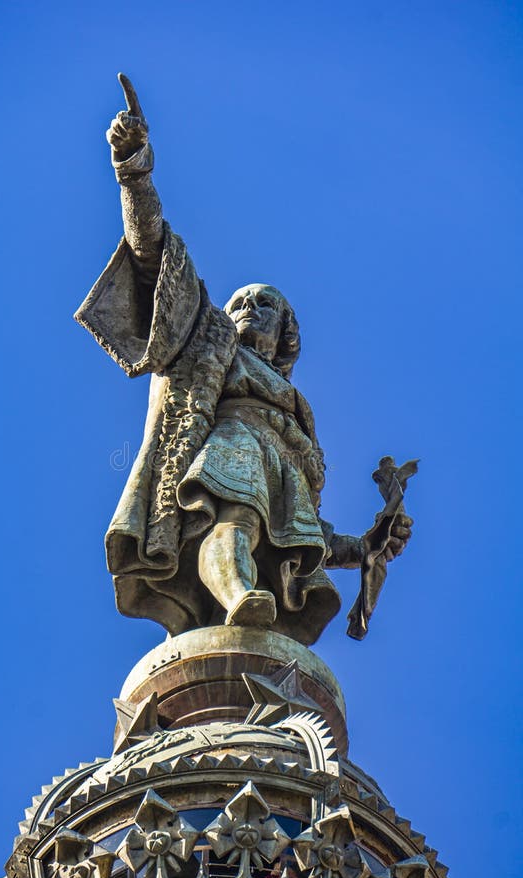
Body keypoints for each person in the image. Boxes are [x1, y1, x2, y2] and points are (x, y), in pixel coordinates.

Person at [75, 76, 412, 646]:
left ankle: (244, 601)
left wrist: (367, 546)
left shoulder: (296, 415)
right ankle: (238, 597)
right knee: (234, 520)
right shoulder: (205, 336)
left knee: (258, 524)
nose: (249, 308)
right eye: (239, 302)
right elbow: (153, 254)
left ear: (286, 334)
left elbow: (304, 535)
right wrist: (134, 171)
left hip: (275, 463)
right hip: (226, 445)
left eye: (265, 304)